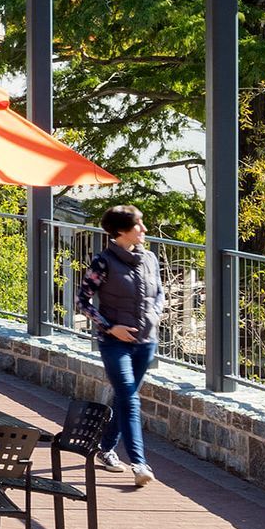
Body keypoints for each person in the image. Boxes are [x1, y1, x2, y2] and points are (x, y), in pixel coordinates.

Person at [76, 203, 165, 487]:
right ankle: (139, 463)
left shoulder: (150, 258)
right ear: (121, 231)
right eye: (139, 224)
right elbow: (82, 301)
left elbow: (159, 293)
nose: (144, 229)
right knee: (129, 397)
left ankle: (105, 447)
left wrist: (155, 315)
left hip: (145, 342)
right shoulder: (102, 262)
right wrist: (109, 327)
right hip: (114, 344)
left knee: (125, 397)